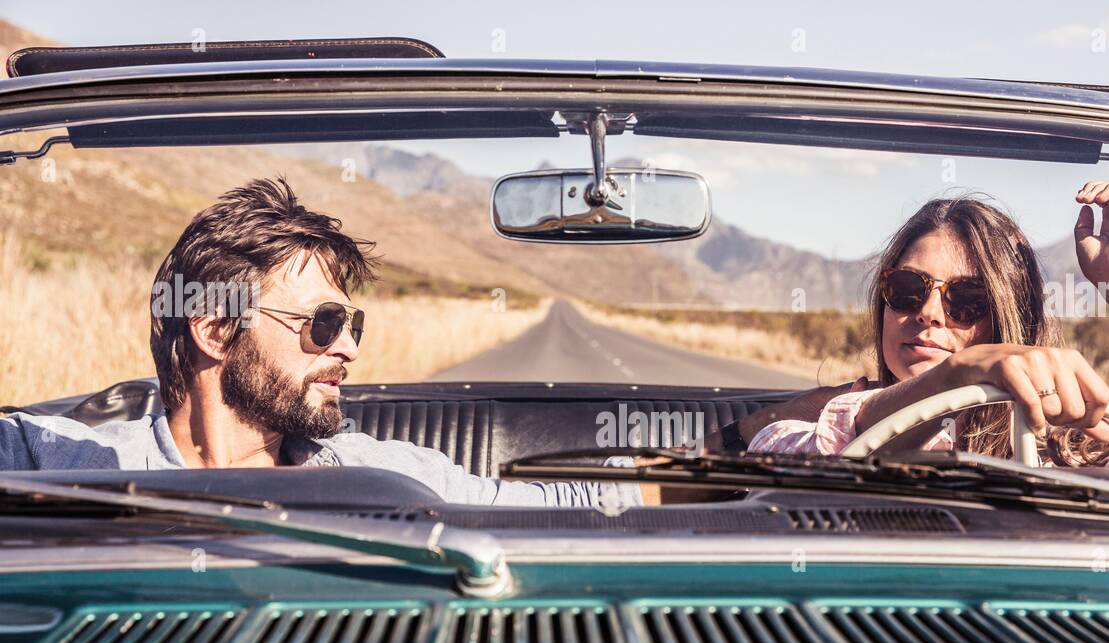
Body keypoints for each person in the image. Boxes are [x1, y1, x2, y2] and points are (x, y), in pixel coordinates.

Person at [0, 177, 637, 507]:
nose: (349, 350)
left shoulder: (374, 472)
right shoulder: (60, 465)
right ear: (217, 330)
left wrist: (726, 453)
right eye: (324, 324)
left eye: (351, 326)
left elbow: (560, 506)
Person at [735, 182, 1109, 468]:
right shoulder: (820, 430)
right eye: (906, 290)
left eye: (966, 300)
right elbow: (788, 459)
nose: (927, 314)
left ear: (1008, 321)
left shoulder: (1071, 456)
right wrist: (957, 375)